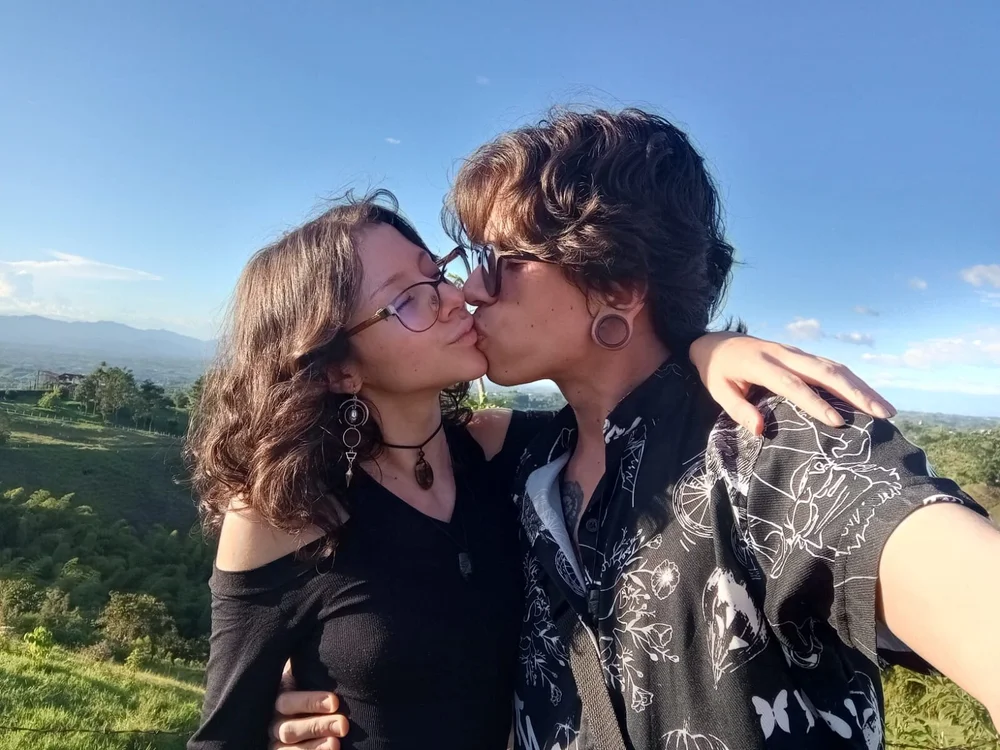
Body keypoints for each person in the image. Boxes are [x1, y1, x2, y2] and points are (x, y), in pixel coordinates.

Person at [272, 109, 999, 750]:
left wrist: (703, 349)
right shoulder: (522, 468)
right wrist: (320, 694)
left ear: (617, 286)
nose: (470, 289)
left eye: (502, 261)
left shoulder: (768, 446)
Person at [185, 186, 890, 750]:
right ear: (337, 367)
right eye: (406, 300)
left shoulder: (508, 455)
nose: (455, 297)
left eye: (434, 273)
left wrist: (704, 351)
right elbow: (222, 732)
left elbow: (626, 410)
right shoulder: (286, 510)